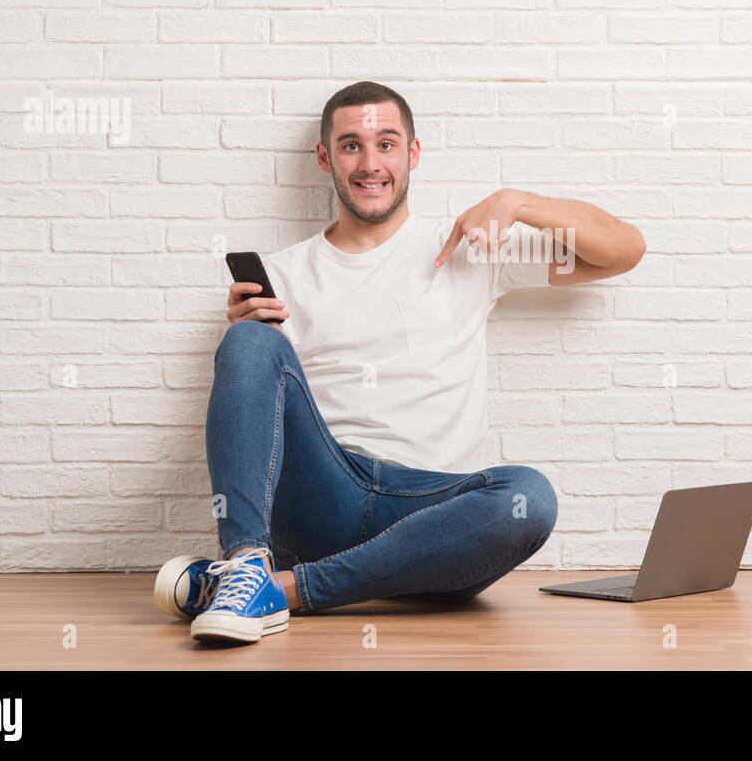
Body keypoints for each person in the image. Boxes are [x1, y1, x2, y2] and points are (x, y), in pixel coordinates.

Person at [153, 81, 647, 644]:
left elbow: (623, 250)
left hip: (430, 521)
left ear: (412, 153)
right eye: (350, 146)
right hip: (325, 493)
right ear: (325, 157)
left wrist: (516, 203)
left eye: (386, 144)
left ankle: (276, 591)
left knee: (527, 500)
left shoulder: (470, 245)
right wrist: (246, 345)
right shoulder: (283, 273)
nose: (370, 163)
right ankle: (244, 564)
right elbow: (261, 413)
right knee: (246, 342)